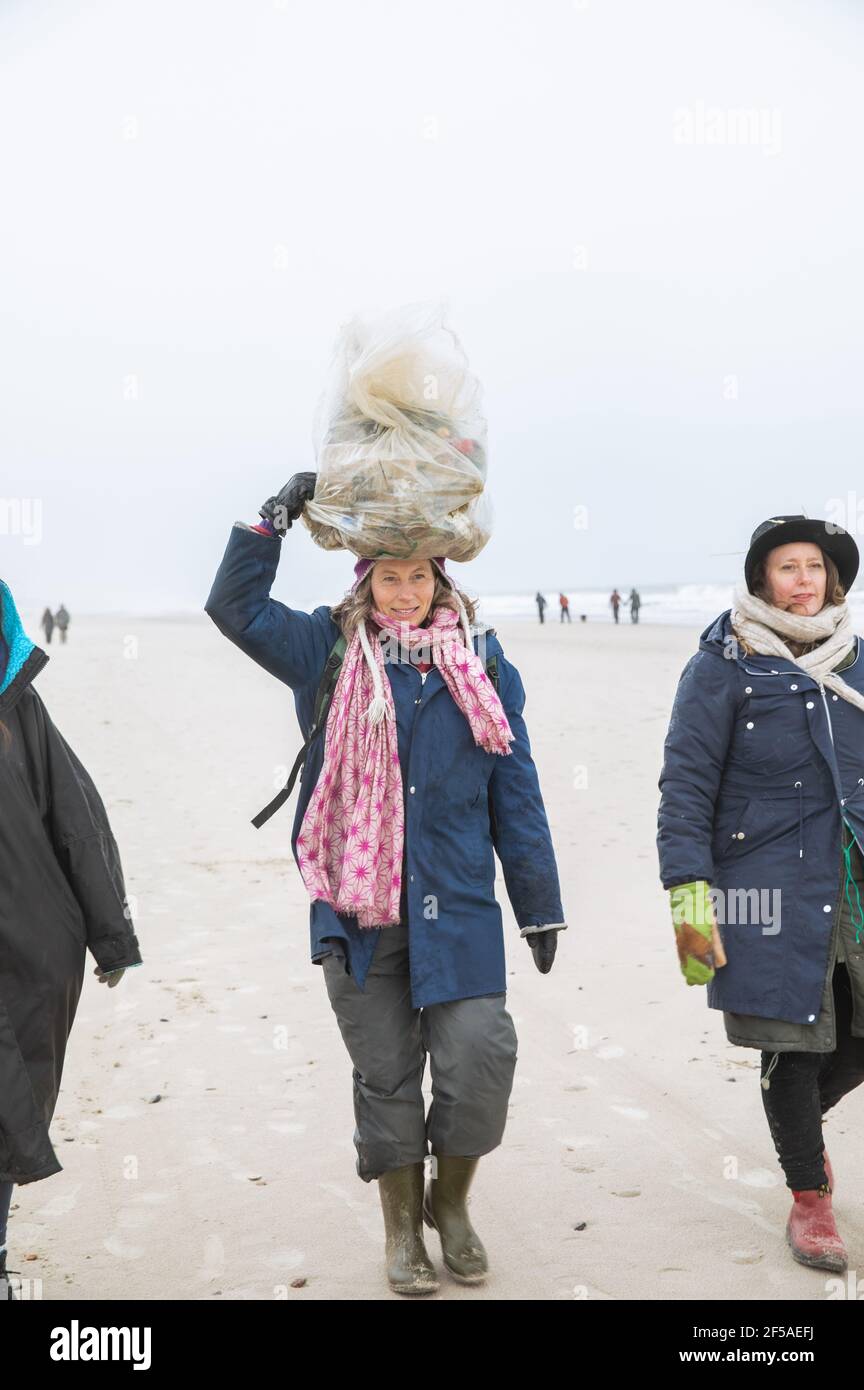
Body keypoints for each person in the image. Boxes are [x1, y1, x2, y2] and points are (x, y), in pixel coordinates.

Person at [205, 472, 567, 1297]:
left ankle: (452, 1201)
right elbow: (235, 612)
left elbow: (518, 789)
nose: (404, 594)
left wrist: (539, 904)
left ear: (443, 579)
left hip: (461, 905)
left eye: (419, 576)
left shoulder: (483, 664)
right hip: (356, 908)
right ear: (363, 580)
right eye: (388, 577)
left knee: (481, 1056)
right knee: (387, 1075)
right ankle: (401, 1232)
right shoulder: (325, 651)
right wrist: (270, 524)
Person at [657, 514, 864, 1275]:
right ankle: (809, 1197)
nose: (803, 580)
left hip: (853, 882)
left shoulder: (859, 662)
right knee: (792, 1040)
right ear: (761, 580)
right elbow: (684, 788)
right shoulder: (722, 667)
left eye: (815, 566)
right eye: (787, 567)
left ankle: (800, 1131)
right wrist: (688, 906)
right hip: (761, 890)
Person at [0, 579, 142, 1301]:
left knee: (6, 1110)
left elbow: (77, 824)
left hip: (29, 954)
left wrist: (111, 937)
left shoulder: (20, 710)